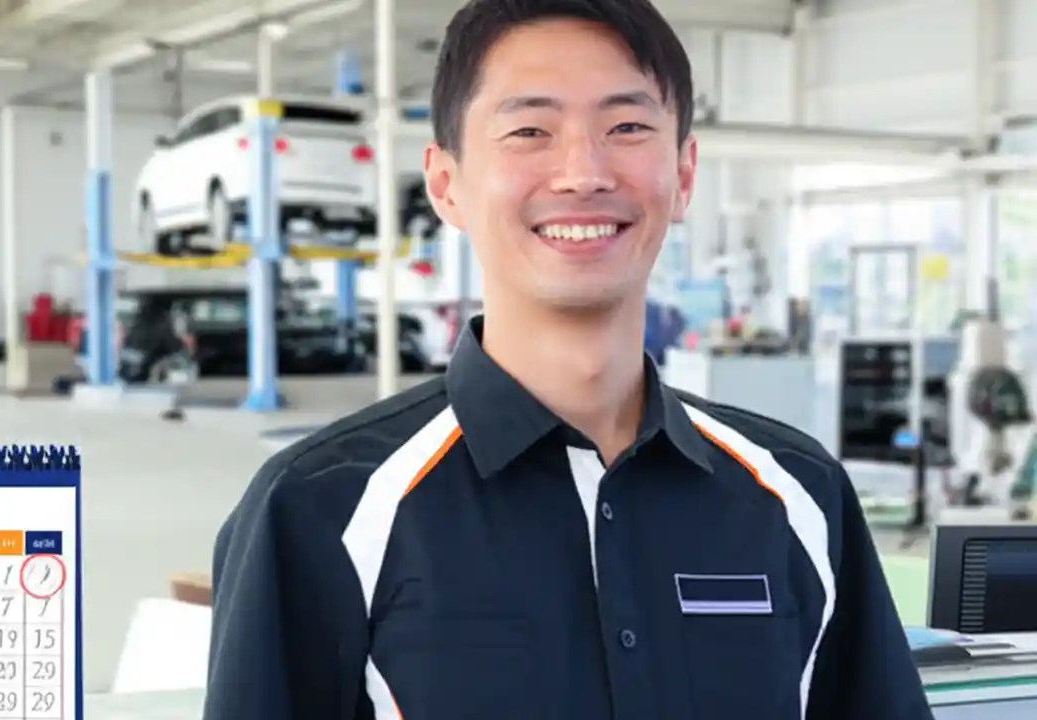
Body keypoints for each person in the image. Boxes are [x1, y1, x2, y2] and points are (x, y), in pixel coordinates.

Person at [205, 1, 933, 718]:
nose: (583, 172)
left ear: (683, 175)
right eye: (529, 130)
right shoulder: (320, 508)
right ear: (445, 184)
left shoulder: (799, 496)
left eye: (627, 127)